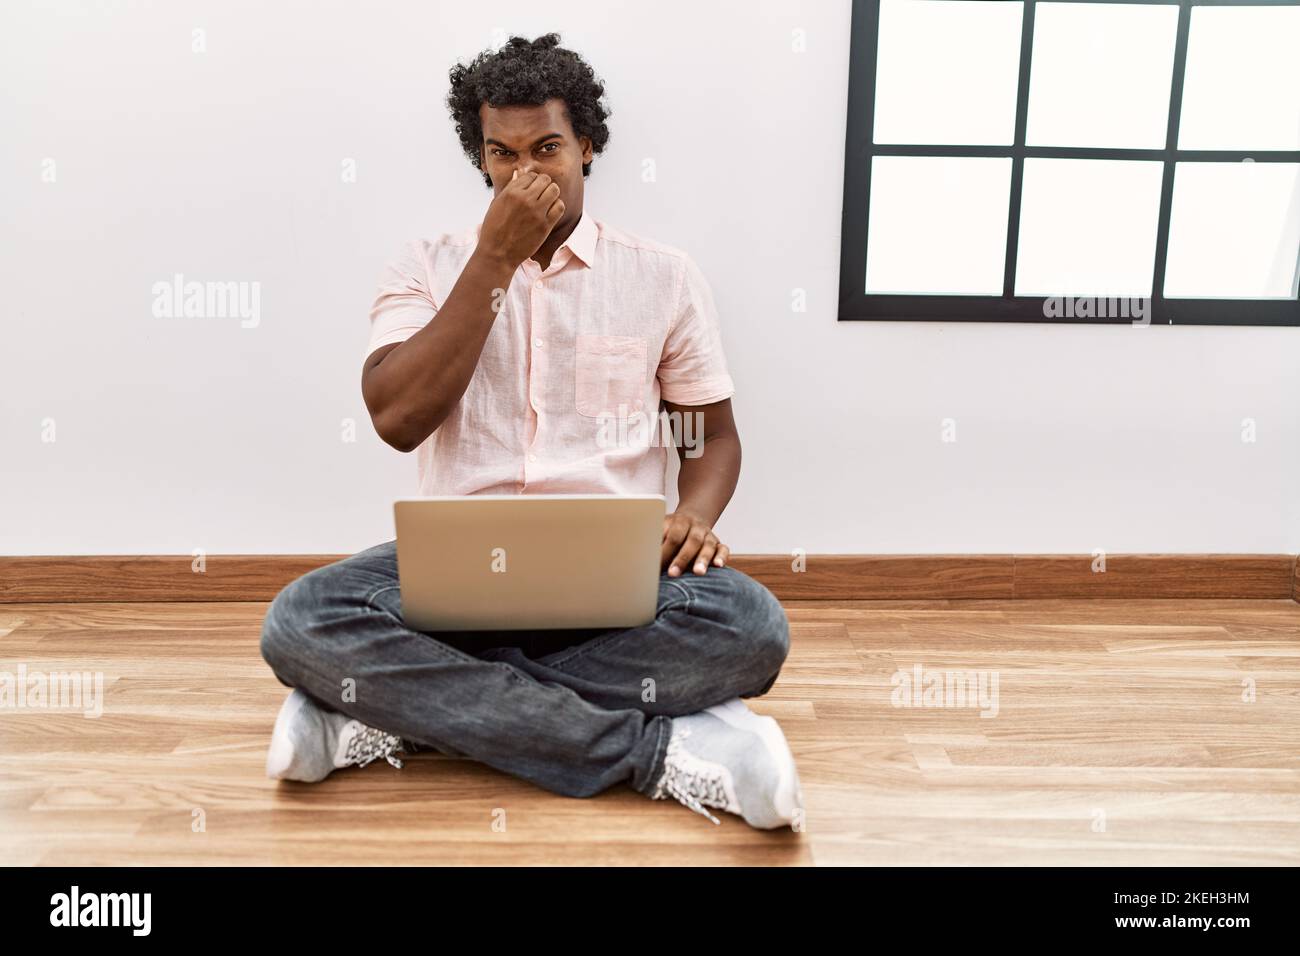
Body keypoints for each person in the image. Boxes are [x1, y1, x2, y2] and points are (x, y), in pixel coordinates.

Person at [259, 33, 802, 829]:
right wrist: (494, 260)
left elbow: (710, 438)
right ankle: (661, 752)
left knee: (751, 630)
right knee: (300, 622)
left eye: (547, 147)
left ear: (587, 145)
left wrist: (695, 518)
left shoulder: (663, 276)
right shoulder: (426, 264)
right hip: (455, 572)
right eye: (502, 154)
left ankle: (395, 709)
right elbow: (397, 420)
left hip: (618, 573)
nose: (526, 173)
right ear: (480, 160)